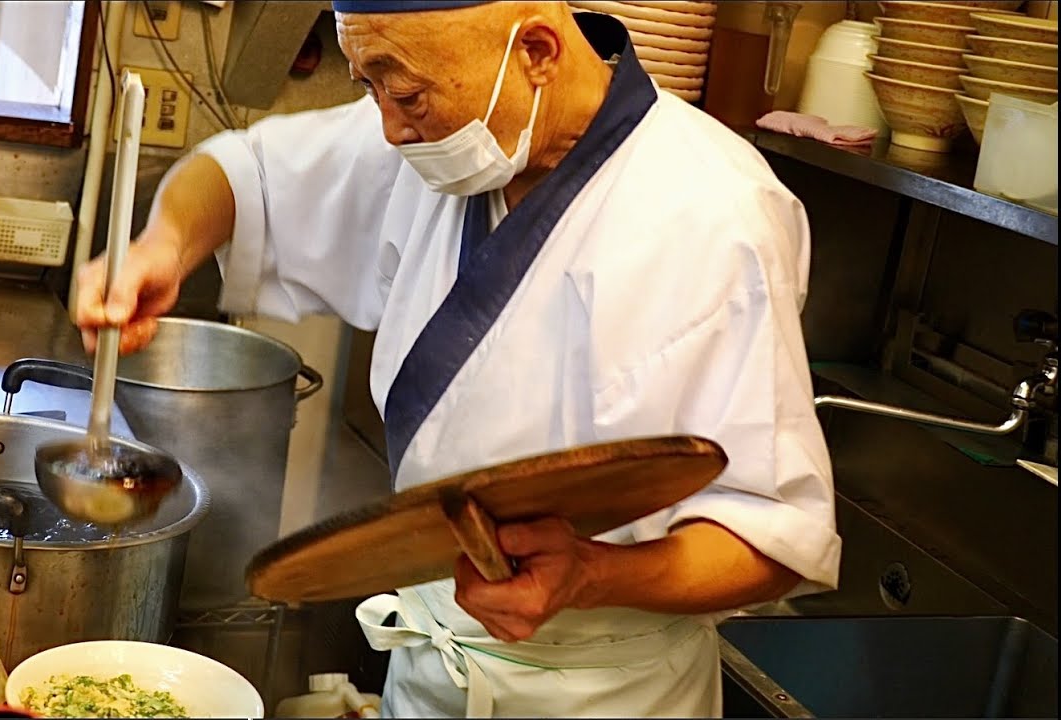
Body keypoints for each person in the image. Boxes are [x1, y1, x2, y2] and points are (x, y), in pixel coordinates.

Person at [74, 2, 841, 717]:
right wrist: (162, 247)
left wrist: (590, 574)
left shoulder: (716, 213)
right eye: (368, 87)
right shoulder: (438, 141)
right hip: (430, 670)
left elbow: (774, 536)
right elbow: (244, 177)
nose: (387, 129)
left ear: (536, 51)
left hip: (607, 694)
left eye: (405, 95)